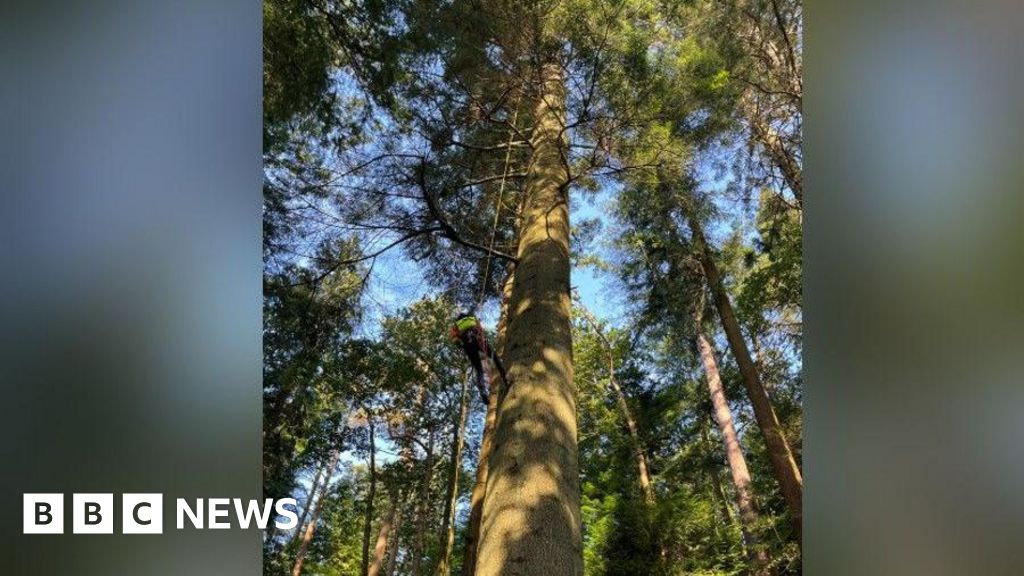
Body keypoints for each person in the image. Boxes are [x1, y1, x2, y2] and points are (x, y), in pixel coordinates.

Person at [449, 310, 507, 404]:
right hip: (478, 340)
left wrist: (461, 346)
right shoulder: (472, 318)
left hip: (467, 344)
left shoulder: (456, 325)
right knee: (494, 357)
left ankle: (483, 392)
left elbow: (454, 338)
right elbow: (480, 329)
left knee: (478, 369)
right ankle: (504, 375)